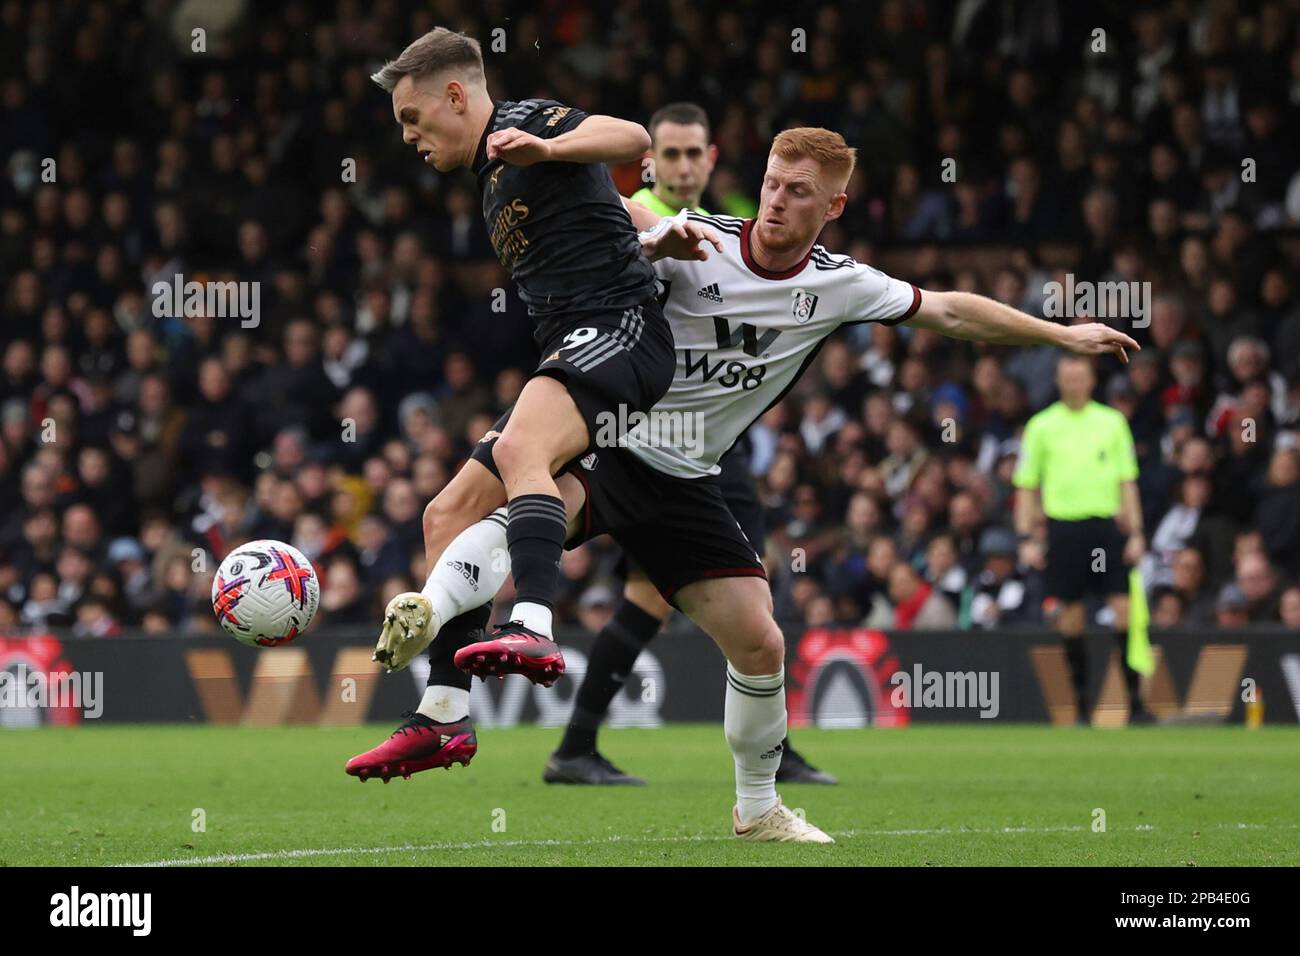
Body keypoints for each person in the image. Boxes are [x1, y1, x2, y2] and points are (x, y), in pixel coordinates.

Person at [353, 127, 1138, 844]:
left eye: (799, 192)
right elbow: (616, 212)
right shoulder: (699, 241)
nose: (776, 200)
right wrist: (648, 235)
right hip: (617, 438)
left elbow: (954, 314)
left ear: (832, 206)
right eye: (770, 181)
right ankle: (439, 630)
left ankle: (758, 809)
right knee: (528, 513)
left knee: (761, 641)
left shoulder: (840, 285)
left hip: (692, 478)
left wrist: (1060, 332)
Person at [370, 28, 716, 652]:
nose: (407, 136)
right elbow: (610, 203)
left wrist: (547, 147)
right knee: (445, 514)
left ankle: (532, 620)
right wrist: (657, 229)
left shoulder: (522, 123)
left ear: (455, 96)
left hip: (621, 327)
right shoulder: (490, 179)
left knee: (519, 448)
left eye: (412, 118)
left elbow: (634, 140)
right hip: (575, 346)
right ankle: (442, 709)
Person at [550, 102, 833, 787]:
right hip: (648, 439)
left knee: (672, 596)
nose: (682, 165)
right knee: (718, 597)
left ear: (711, 159)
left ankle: (578, 746)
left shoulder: (730, 224)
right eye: (670, 153)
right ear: (650, 162)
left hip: (711, 445)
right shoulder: (635, 213)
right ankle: (574, 740)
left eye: (693, 153)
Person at [1013, 355, 1153, 724]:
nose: (1073, 384)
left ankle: (1135, 703)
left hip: (1105, 528)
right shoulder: (1041, 426)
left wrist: (1137, 533)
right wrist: (1026, 536)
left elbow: (1127, 481)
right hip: (1063, 529)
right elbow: (1026, 486)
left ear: (1091, 381)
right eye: (1067, 378)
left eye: (1079, 377)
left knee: (1124, 611)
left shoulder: (1112, 422)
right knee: (1071, 617)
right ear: (1059, 382)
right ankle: (1079, 704)